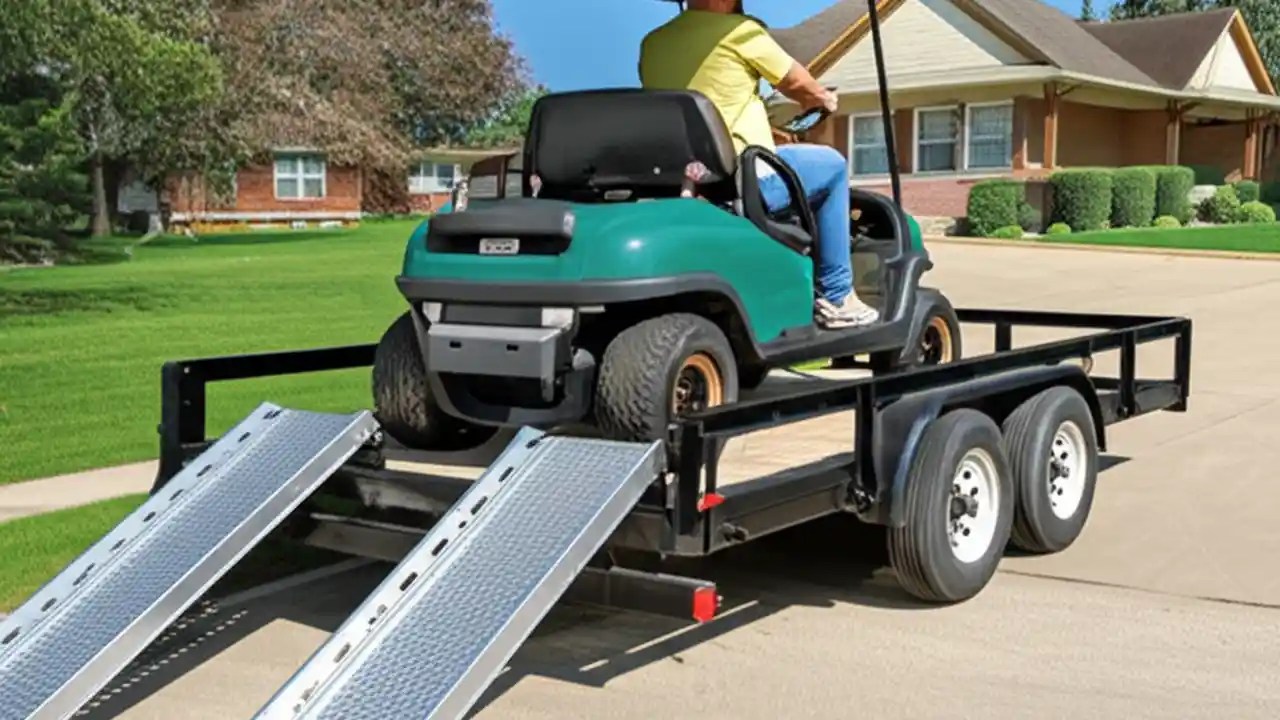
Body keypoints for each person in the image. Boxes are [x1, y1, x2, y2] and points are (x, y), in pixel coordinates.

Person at [639, 0, 879, 329]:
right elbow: (798, 84)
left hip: (690, 177)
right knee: (833, 166)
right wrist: (823, 99)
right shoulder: (742, 33)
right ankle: (837, 296)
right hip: (746, 177)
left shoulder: (654, 43)